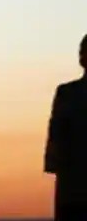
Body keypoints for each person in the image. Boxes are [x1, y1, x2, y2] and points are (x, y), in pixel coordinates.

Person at [45, 33, 87, 221]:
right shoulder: (66, 93)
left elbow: (55, 135)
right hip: (71, 185)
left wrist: (52, 162)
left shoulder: (67, 93)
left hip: (72, 186)